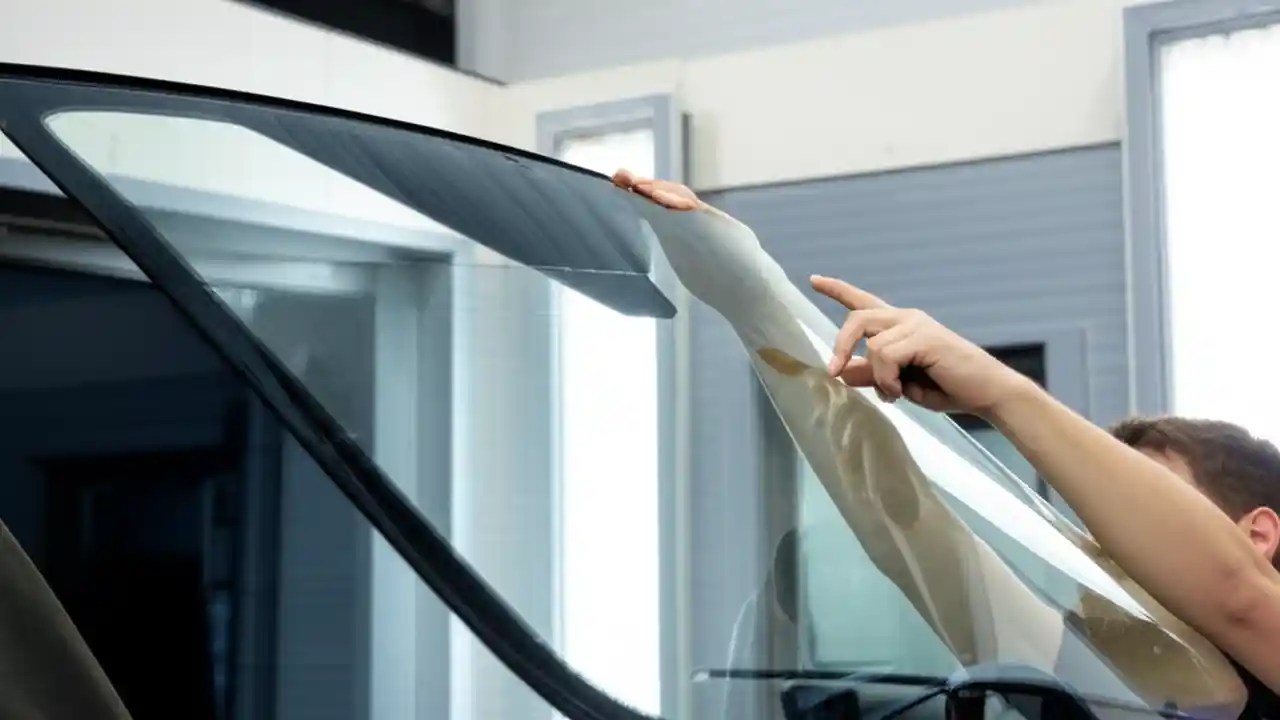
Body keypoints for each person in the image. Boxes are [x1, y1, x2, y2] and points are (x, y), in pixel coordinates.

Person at [610, 169, 1280, 711]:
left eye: (1141, 504)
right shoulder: (1106, 688)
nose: (1107, 541)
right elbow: (899, 514)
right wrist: (747, 291)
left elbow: (1236, 594)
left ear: (1257, 537)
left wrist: (1003, 392)